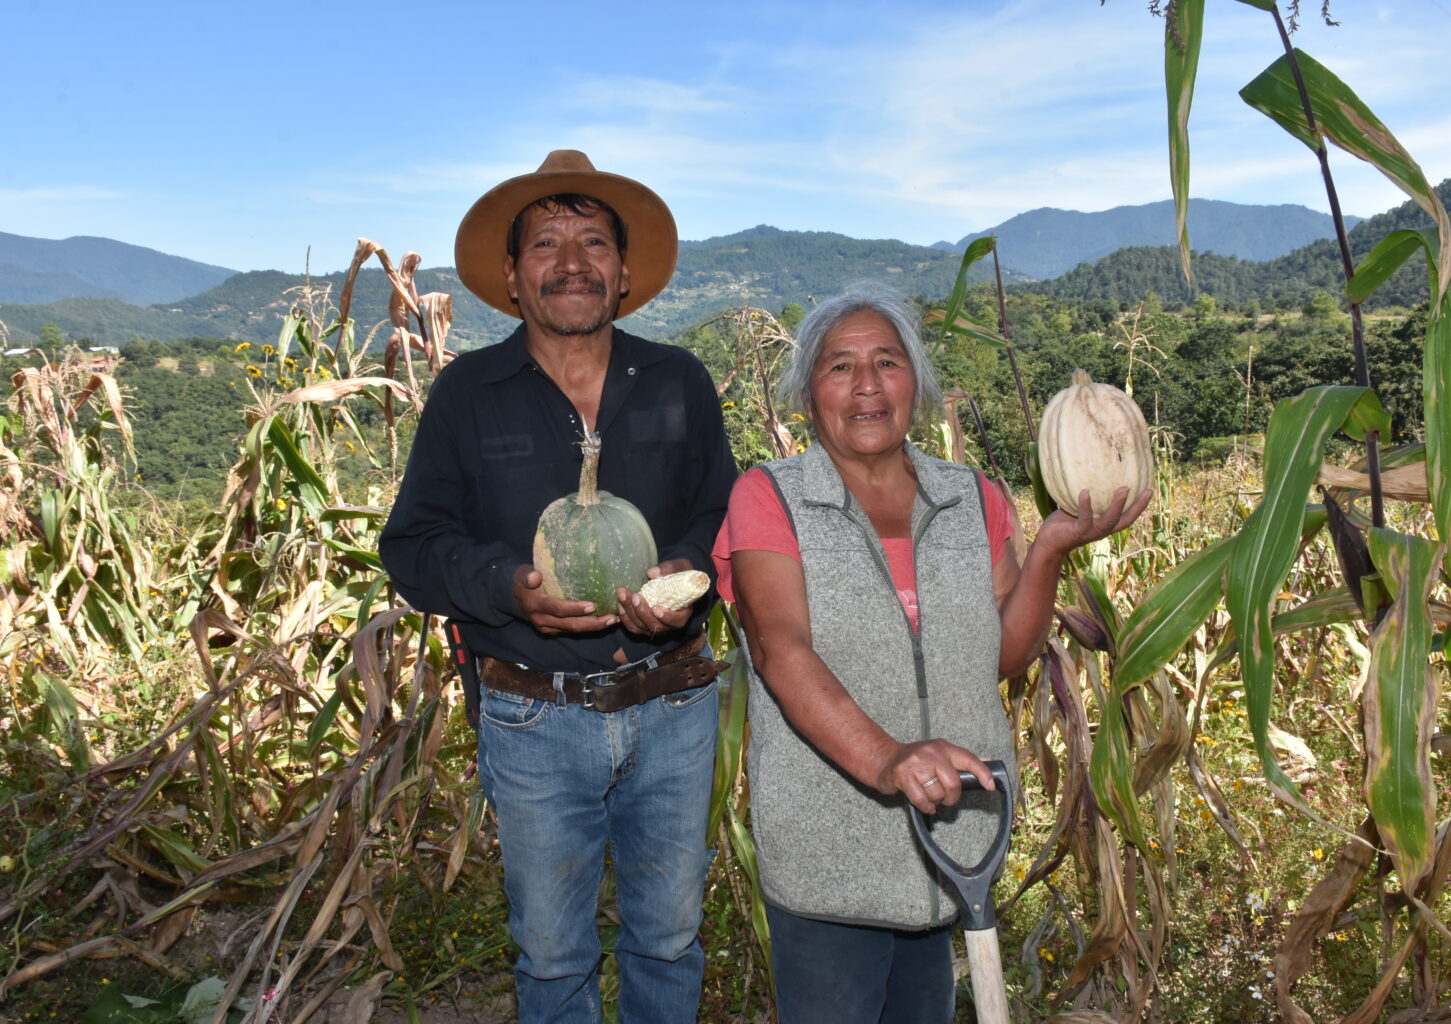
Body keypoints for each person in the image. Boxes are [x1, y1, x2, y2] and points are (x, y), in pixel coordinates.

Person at [711, 284, 1150, 1023]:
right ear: (808, 393)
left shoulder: (969, 496)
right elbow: (781, 650)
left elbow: (1006, 654)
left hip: (951, 843)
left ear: (916, 380)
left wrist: (1045, 550)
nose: (867, 387)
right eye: (840, 367)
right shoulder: (769, 497)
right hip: (830, 854)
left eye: (887, 362)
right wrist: (887, 758)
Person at [380, 150, 736, 1024]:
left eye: (592, 243)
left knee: (670, 936)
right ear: (511, 274)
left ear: (622, 272)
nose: (571, 261)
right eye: (545, 242)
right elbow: (414, 547)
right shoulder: (468, 394)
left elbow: (727, 521)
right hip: (533, 716)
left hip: (675, 706)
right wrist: (507, 587)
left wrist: (685, 574)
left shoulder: (680, 383)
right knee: (550, 953)